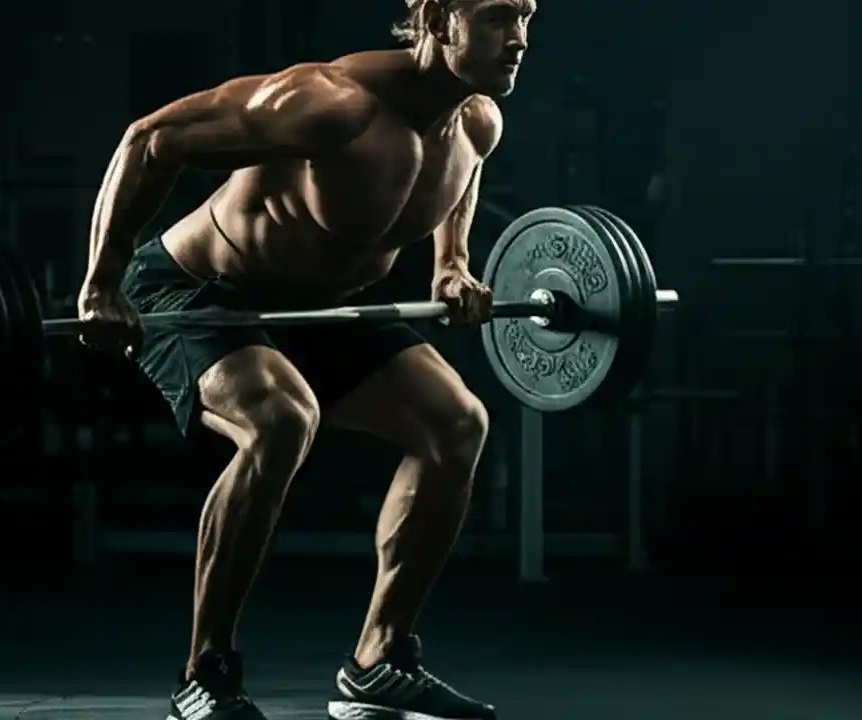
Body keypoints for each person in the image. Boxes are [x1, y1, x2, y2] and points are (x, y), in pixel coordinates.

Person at [78, 1, 533, 718]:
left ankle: (378, 661)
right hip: (202, 293)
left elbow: (457, 183)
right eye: (498, 17)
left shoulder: (477, 123)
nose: (518, 39)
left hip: (322, 306)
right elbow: (151, 138)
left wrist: (452, 264)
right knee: (282, 419)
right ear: (439, 16)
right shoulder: (330, 102)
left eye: (528, 17)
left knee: (456, 424)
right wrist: (100, 283)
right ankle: (206, 673)